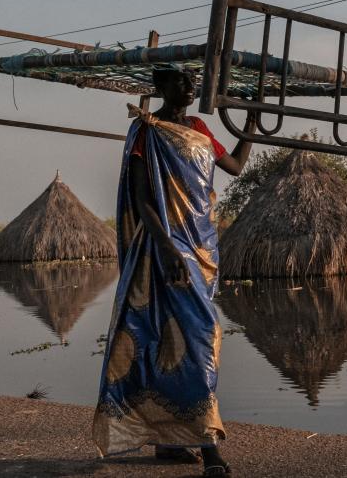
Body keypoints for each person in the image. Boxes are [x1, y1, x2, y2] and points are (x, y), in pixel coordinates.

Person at [93, 65, 256, 477]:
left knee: (173, 340)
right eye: (179, 81)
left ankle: (170, 440)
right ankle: (209, 446)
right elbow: (143, 198)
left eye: (191, 80)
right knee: (202, 336)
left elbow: (234, 166)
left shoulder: (199, 126)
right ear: (160, 87)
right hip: (168, 249)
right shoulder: (147, 132)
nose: (188, 86)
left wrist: (251, 126)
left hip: (203, 246)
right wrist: (166, 248)